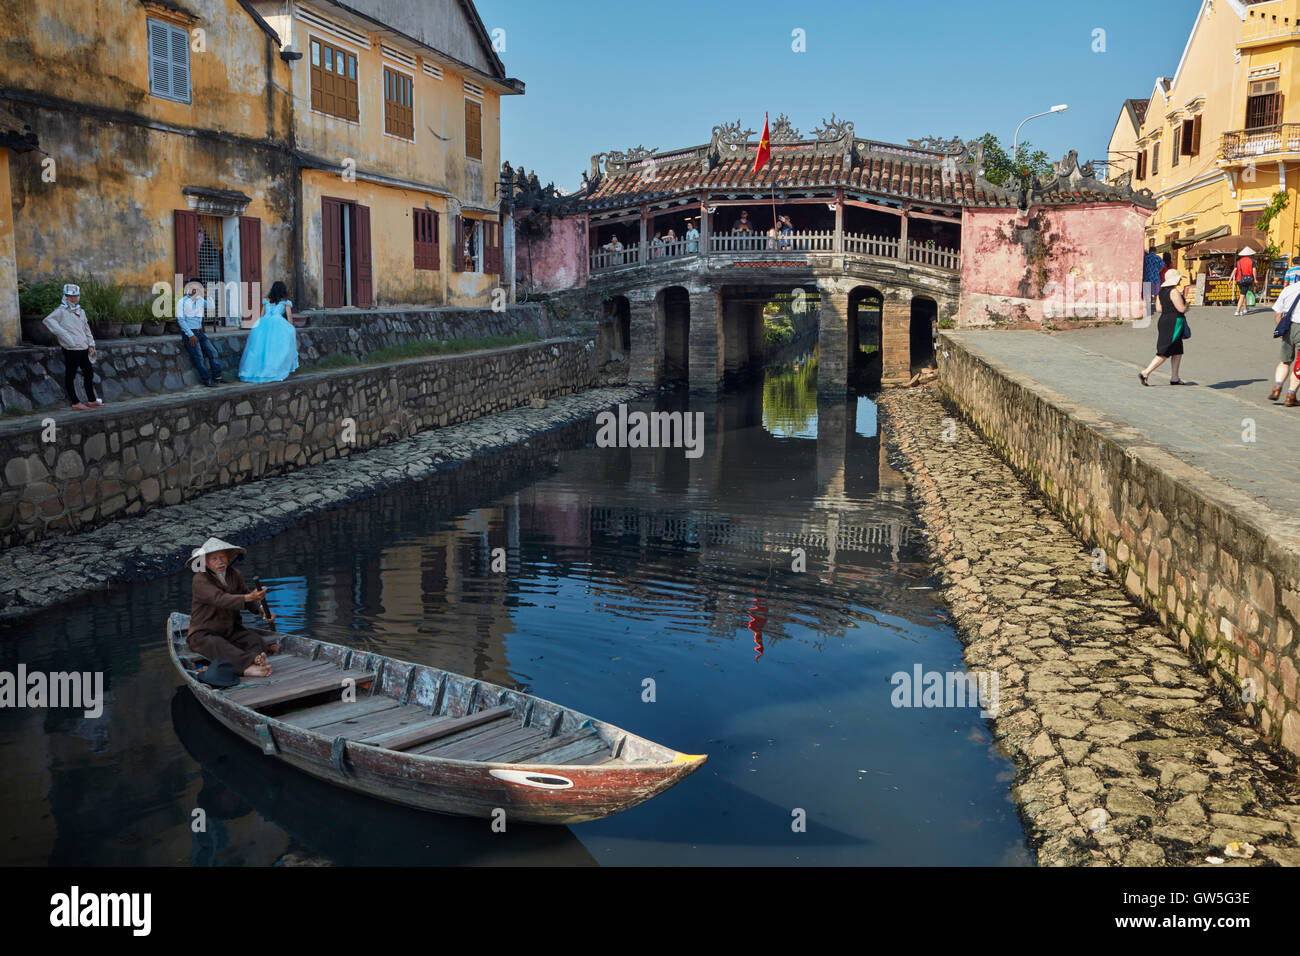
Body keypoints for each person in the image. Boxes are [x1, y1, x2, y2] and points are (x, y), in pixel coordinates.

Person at [187, 536, 277, 678]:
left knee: (254, 639)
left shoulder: (234, 574)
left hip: (230, 629)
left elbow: (246, 597)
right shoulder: (200, 579)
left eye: (222, 557)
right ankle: (247, 667)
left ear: (228, 558)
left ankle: (257, 659)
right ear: (205, 562)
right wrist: (251, 597)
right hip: (204, 633)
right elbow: (220, 599)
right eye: (214, 559)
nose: (220, 562)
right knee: (216, 644)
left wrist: (262, 610)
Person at [43, 283, 102, 410]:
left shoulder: (81, 311)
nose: (73, 298)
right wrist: (67, 338)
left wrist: (91, 344)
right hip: (71, 349)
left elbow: (86, 329)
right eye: (70, 296)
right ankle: (75, 402)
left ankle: (91, 400)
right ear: (65, 296)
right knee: (71, 375)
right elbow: (48, 321)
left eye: (75, 296)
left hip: (83, 347)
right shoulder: (61, 311)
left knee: (89, 373)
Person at [238, 281, 298, 383]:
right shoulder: (285, 302)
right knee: (276, 348)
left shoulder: (266, 300)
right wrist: (291, 328)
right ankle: (273, 370)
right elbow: (289, 316)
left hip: (264, 324)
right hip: (278, 324)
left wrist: (259, 327)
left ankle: (254, 371)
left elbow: (261, 315)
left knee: (260, 349)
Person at [1140, 269, 1191, 385]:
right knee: (1165, 350)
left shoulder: (1160, 293)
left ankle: (1175, 377)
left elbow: (1159, 309)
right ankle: (1145, 372)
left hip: (1164, 320)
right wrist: (1187, 304)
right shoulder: (1174, 292)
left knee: (1177, 351)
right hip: (1175, 322)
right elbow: (1181, 309)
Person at [178, 278, 225, 387]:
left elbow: (211, 306)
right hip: (189, 334)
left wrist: (207, 295)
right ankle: (206, 379)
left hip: (200, 333)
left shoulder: (199, 300)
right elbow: (181, 320)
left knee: (213, 352)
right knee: (198, 356)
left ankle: (217, 376)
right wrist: (190, 335)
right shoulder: (182, 302)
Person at [1269, 265, 1300, 405]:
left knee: (1285, 361)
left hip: (1288, 327)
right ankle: (1291, 395)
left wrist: (1280, 329)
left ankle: (1277, 386)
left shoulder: (1288, 289)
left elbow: (1278, 313)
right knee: (1299, 364)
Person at [1234, 246, 1257, 315]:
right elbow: (1254, 270)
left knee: (1243, 293)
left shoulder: (1238, 262)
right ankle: (1237, 311)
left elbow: (1235, 270)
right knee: (1242, 294)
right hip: (1247, 280)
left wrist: (1230, 279)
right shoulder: (1252, 261)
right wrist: (1255, 279)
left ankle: (1245, 309)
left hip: (1239, 279)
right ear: (1249, 254)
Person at [1142, 247, 1164, 316]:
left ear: (1149, 251)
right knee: (1156, 294)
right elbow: (1162, 266)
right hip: (1155, 278)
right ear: (1155, 251)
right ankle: (1158, 308)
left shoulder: (1145, 258)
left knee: (1147, 295)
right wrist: (1157, 271)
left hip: (1147, 278)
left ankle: (1147, 310)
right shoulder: (1158, 258)